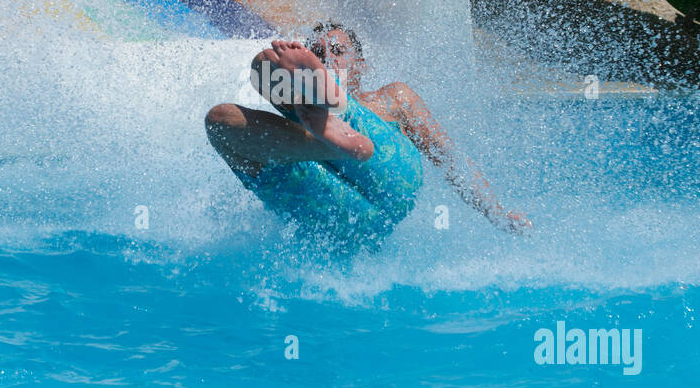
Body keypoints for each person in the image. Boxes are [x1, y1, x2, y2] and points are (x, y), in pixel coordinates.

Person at [205, 22, 529, 245]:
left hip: (391, 186)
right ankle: (330, 141)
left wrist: (495, 211)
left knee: (269, 65)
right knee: (220, 119)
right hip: (334, 215)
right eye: (317, 53)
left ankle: (337, 121)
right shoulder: (295, 111)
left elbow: (448, 157)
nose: (327, 57)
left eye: (336, 51)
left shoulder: (392, 99)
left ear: (361, 64)